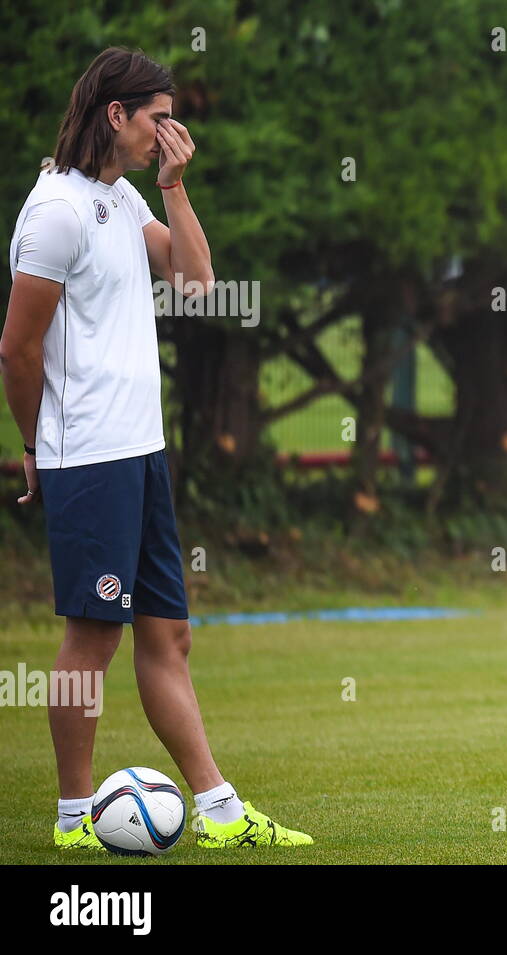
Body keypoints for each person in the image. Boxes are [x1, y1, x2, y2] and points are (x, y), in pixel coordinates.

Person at [1, 47, 312, 850]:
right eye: (158, 120)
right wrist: (35, 447)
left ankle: (219, 813)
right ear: (117, 115)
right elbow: (16, 349)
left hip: (141, 453)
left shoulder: (124, 194)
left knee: (169, 633)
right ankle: (73, 820)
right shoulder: (56, 211)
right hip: (88, 461)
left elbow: (198, 281)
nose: (168, 133)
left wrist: (174, 186)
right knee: (91, 638)